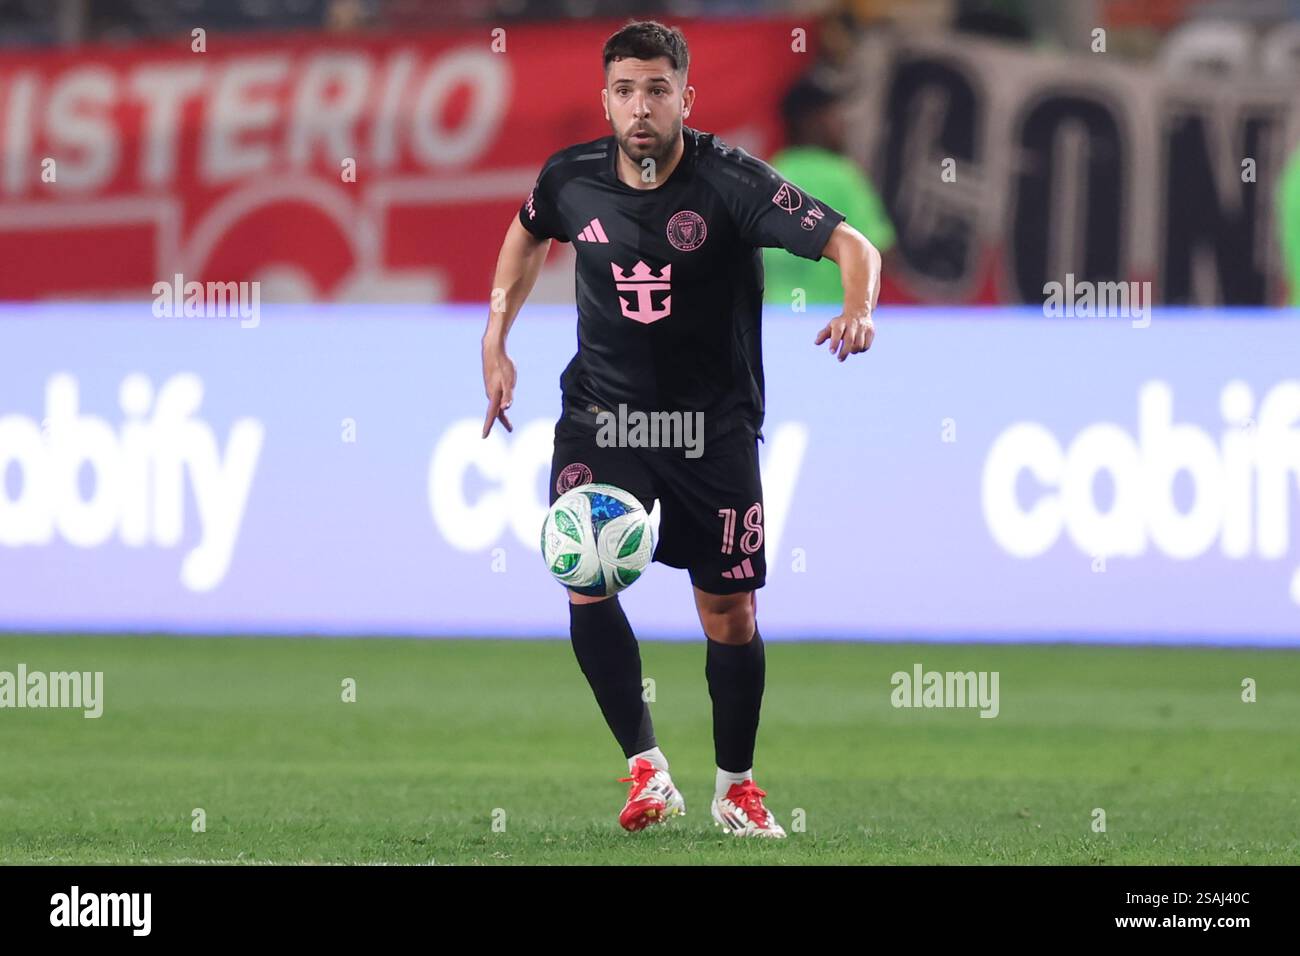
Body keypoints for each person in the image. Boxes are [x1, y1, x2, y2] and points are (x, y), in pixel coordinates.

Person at [480, 20, 881, 838]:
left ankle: (735, 786)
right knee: (581, 566)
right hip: (605, 414)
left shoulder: (732, 182)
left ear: (684, 98)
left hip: (711, 426)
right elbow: (526, 235)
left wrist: (858, 308)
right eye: (625, 90)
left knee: (728, 613)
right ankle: (644, 769)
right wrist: (496, 339)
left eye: (657, 90)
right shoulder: (572, 179)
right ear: (605, 100)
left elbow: (850, 242)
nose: (640, 107)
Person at [764, 73, 895, 307]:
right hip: (832, 327)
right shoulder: (843, 177)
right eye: (833, 114)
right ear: (810, 121)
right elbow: (879, 251)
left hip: (772, 323)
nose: (843, 123)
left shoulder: (768, 173)